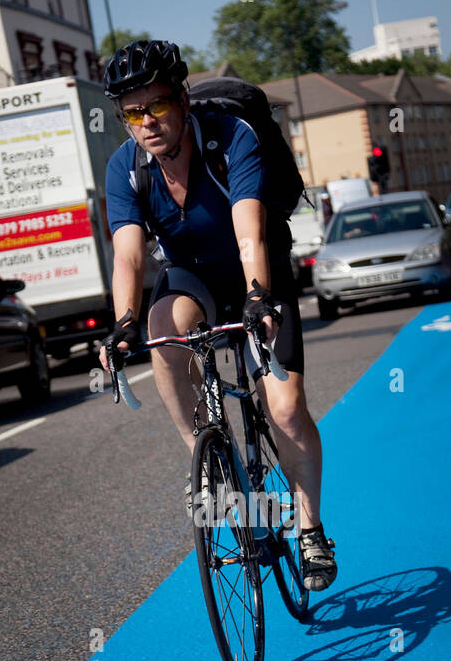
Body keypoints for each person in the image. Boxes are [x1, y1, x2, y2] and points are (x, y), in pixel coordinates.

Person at [99, 39, 337, 591]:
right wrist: (124, 321)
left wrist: (258, 296)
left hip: (256, 269)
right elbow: (130, 253)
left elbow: (250, 231)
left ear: (182, 98)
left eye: (157, 105)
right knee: (162, 332)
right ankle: (205, 461)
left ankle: (309, 530)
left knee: (285, 408)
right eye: (133, 113)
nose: (147, 122)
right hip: (194, 278)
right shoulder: (126, 167)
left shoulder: (230, 138)